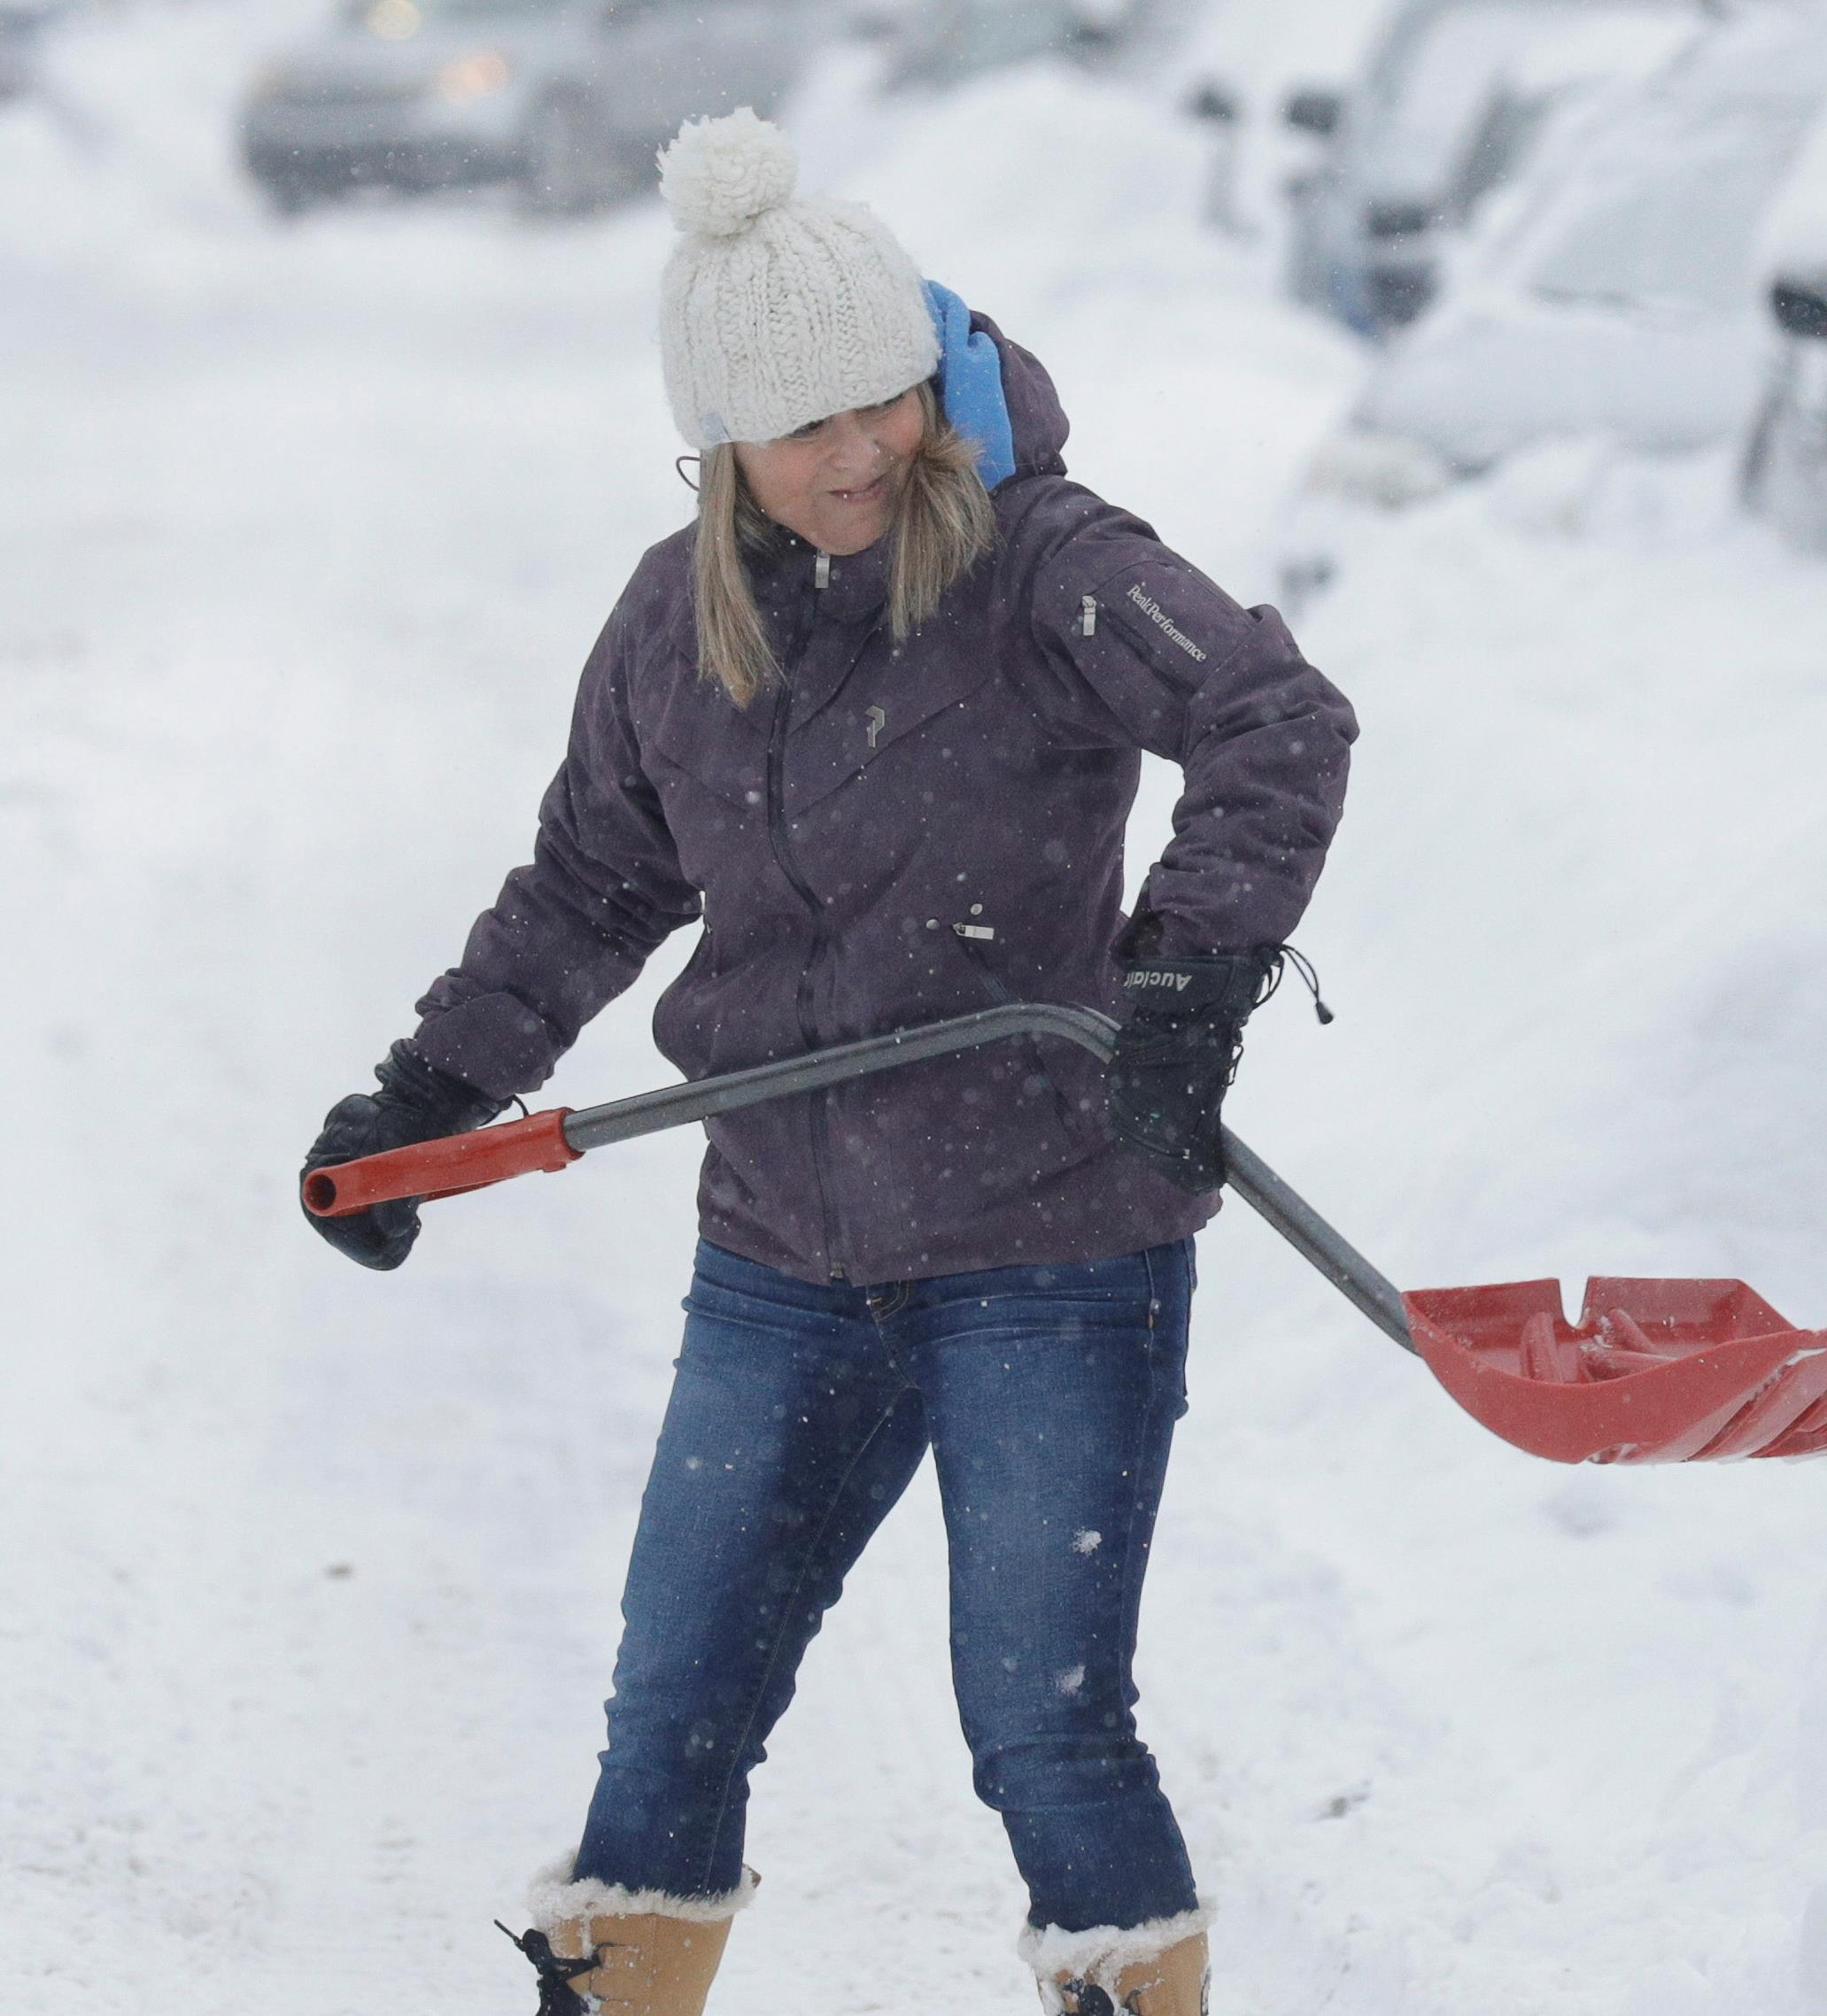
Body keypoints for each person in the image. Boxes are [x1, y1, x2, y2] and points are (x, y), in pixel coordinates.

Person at [298, 110, 1351, 2016]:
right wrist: (429, 1097)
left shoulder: (1049, 566)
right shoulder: (670, 618)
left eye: (885, 400)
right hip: (783, 1248)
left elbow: (1274, 716)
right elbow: (588, 885)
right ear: (718, 446)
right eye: (805, 425)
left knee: (1042, 1726)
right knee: (674, 1703)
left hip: (1052, 1243)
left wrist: (1189, 979)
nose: (862, 451)